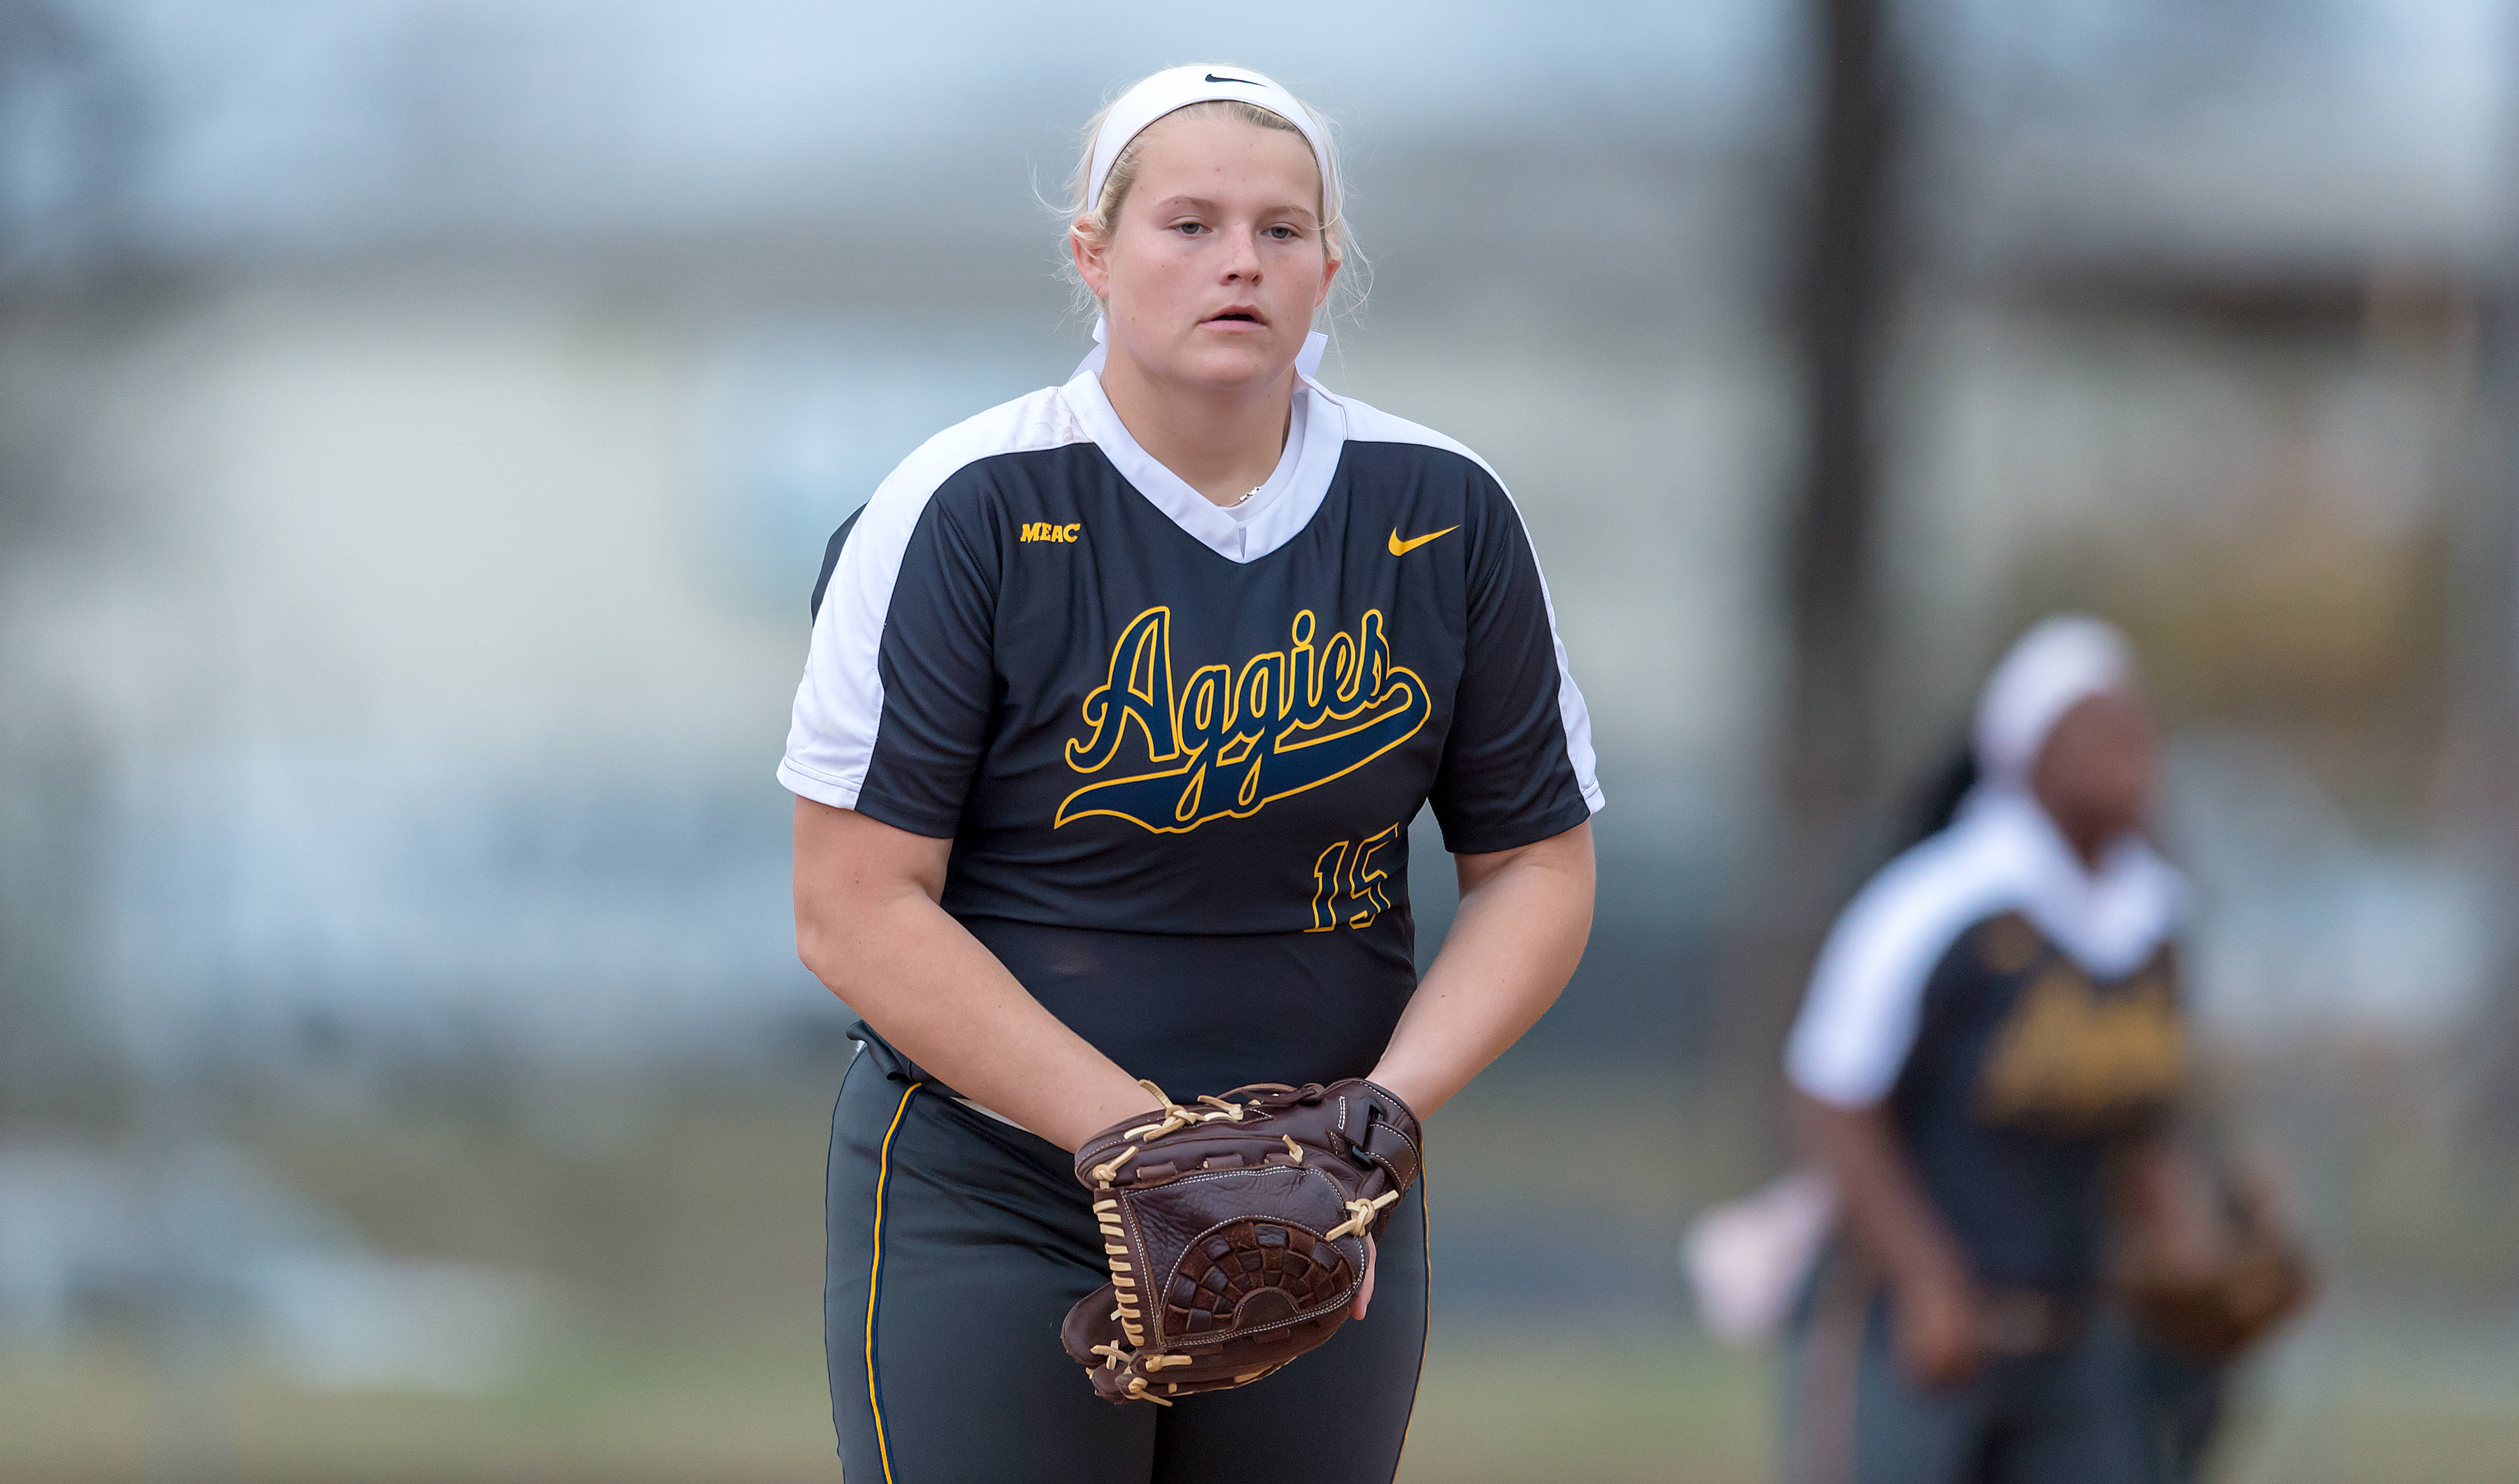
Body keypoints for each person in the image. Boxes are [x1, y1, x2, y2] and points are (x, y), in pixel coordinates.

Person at [780, 65, 1601, 1484]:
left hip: (1321, 1201)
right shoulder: (966, 505)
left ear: (1329, 267)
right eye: (1189, 224)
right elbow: (853, 908)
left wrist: (1378, 1127)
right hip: (1003, 1189)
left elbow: (1537, 863)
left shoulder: (1439, 510)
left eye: (1283, 231)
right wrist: (1141, 1149)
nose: (1241, 262)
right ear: (1091, 255)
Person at [1779, 616, 2212, 1484]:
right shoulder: (1941, 904)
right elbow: (1831, 1095)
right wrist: (1926, 1279)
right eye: (2091, 729)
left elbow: (2143, 1124)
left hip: (2080, 1327)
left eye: (2134, 726)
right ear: (2026, 754)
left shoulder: (2155, 922)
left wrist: (2192, 1248)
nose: (2125, 750)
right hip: (1926, 1326)